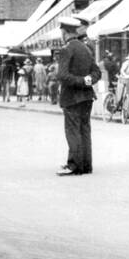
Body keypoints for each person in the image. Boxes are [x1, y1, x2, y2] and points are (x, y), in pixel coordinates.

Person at [55, 16, 100, 176]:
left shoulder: (67, 49)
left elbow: (62, 75)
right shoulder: (86, 48)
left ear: (65, 32)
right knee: (85, 130)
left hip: (72, 97)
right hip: (87, 97)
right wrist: (88, 81)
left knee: (73, 131)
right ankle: (86, 165)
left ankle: (74, 165)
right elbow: (97, 72)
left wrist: (80, 81)